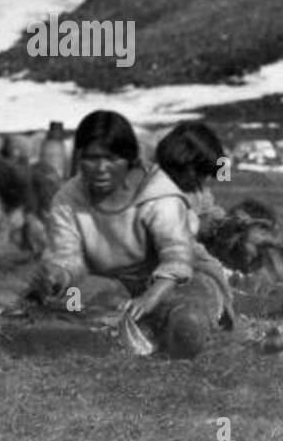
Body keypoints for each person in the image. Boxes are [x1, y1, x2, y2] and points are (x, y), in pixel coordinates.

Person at [29, 111, 234, 357]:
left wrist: (151, 297)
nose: (102, 169)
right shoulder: (71, 198)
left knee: (188, 320)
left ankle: (171, 332)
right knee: (76, 303)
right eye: (93, 159)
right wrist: (57, 275)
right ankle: (116, 334)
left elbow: (179, 257)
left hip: (185, 279)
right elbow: (67, 255)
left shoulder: (167, 191)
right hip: (121, 281)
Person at [153, 120, 283, 321]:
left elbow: (207, 210)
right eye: (201, 174)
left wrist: (227, 222)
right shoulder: (157, 192)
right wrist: (203, 228)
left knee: (259, 240)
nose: (203, 182)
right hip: (179, 263)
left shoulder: (193, 186)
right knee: (226, 283)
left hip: (201, 248)